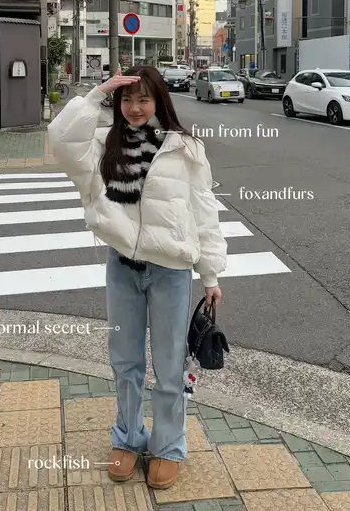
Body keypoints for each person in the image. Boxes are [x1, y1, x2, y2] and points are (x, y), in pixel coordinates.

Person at [48, 66, 226, 489]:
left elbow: (204, 209)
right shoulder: (102, 143)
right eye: (127, 99)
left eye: (144, 99)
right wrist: (97, 94)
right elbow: (61, 140)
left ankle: (168, 445)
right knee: (125, 361)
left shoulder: (185, 147)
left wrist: (211, 273)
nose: (135, 108)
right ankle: (128, 438)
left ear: (159, 100)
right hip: (123, 266)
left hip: (171, 271)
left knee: (169, 364)